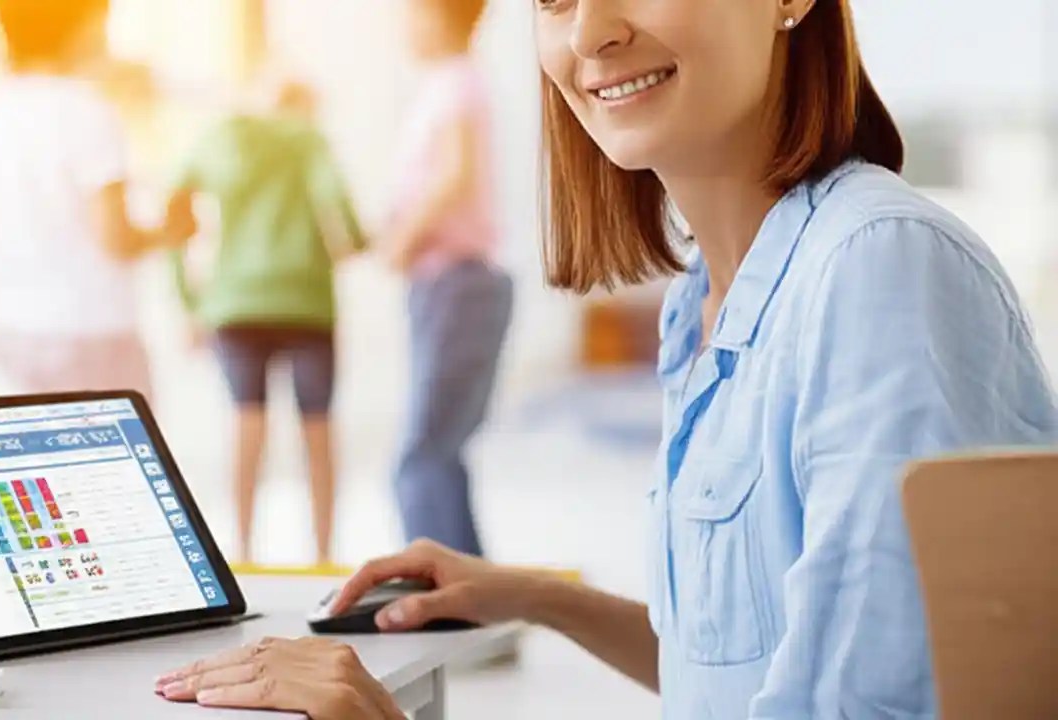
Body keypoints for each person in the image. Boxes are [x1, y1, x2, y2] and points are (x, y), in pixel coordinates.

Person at [153, 0, 1058, 717]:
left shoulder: (877, 270)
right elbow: (733, 675)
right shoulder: (701, 304)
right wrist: (535, 595)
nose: (591, 30)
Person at [166, 76, 367, 565]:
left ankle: (243, 552)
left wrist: (188, 299)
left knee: (246, 420)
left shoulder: (221, 136)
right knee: (317, 426)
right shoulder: (307, 138)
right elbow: (336, 199)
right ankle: (323, 555)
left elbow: (173, 211)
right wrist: (357, 241)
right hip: (305, 298)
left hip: (235, 300)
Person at [0, 0, 192, 403]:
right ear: (87, 24)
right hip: (90, 327)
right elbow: (114, 238)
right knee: (119, 460)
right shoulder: (88, 111)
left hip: (14, 325)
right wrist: (171, 231)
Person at [387, 0, 512, 558]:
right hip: (441, 282)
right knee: (439, 452)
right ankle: (464, 585)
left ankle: (438, 587)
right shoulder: (444, 86)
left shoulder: (459, 83)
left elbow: (453, 177)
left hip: (456, 282)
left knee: (421, 456)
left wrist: (402, 241)